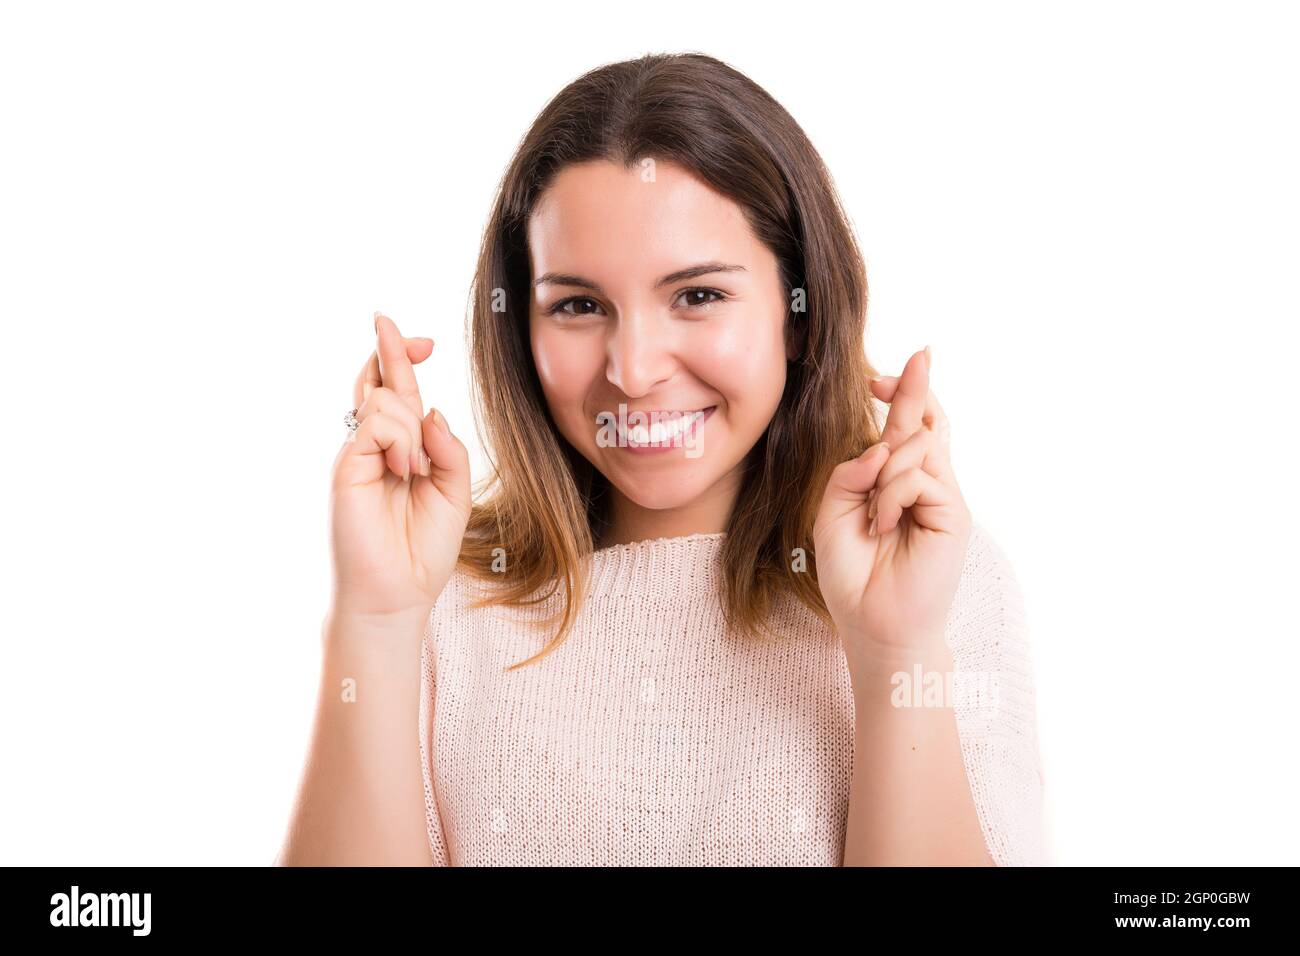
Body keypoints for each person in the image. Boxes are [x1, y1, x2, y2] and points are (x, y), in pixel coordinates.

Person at [275, 52, 1046, 866]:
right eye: (578, 305)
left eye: (698, 295)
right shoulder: (441, 603)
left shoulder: (940, 586)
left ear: (799, 310)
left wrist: (895, 652)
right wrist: (380, 618)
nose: (633, 369)